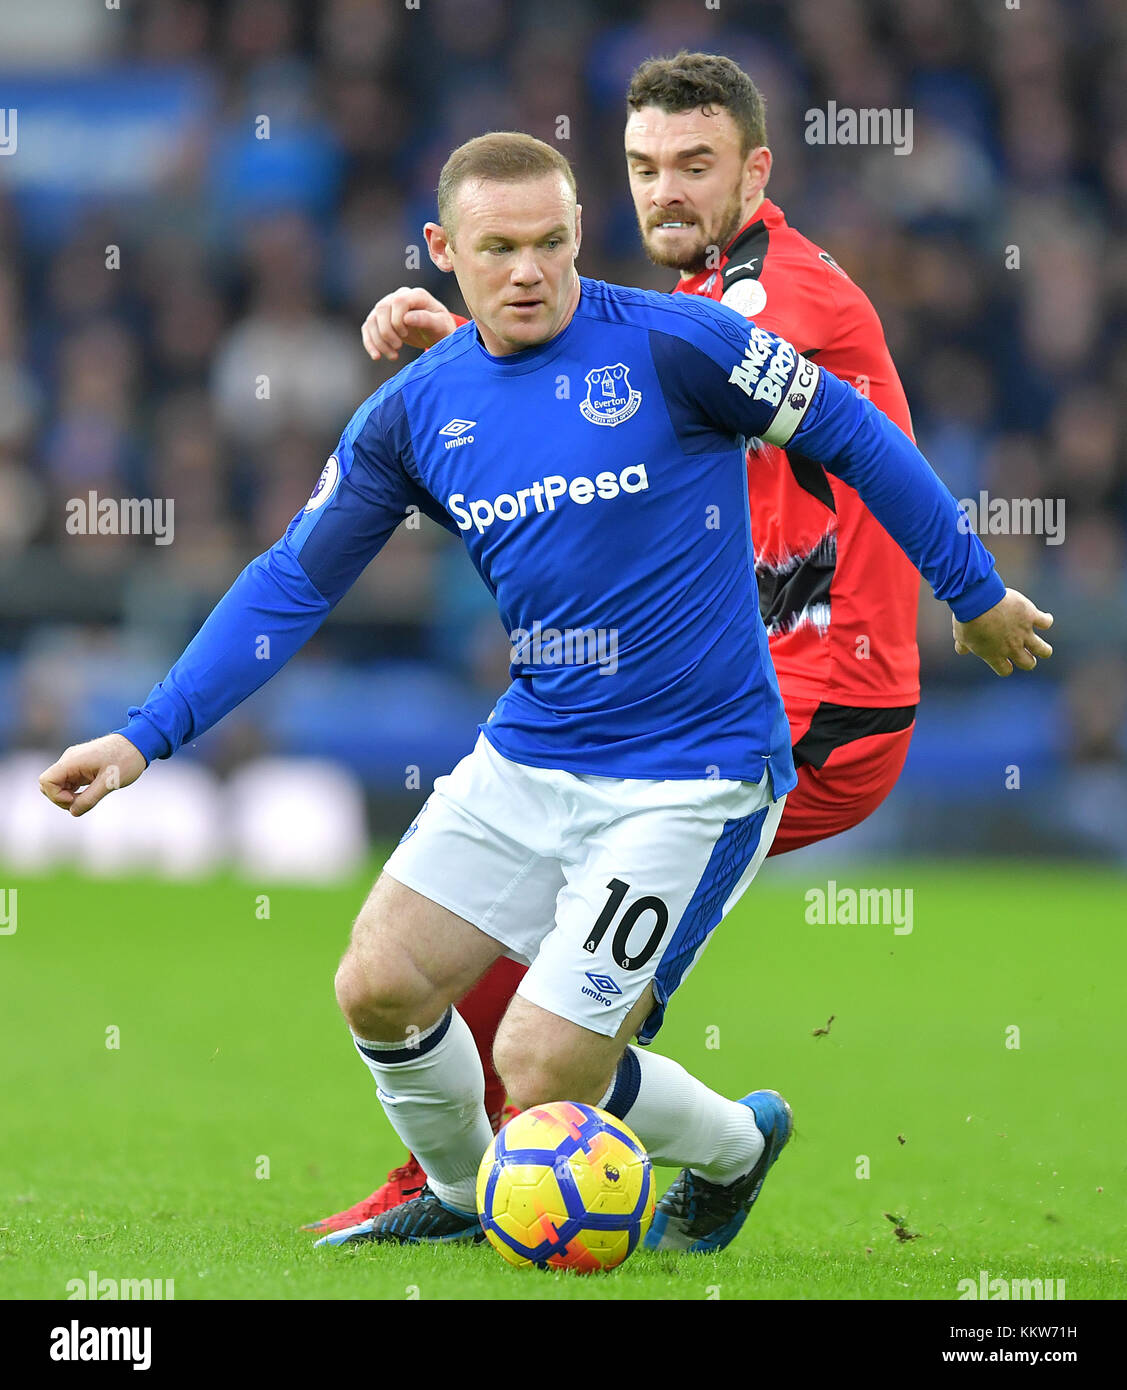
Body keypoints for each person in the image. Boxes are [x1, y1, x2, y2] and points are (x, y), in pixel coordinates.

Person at [40, 133, 1052, 1256]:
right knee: (378, 985)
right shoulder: (416, 411)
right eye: (498, 249)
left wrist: (973, 589)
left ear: (578, 237)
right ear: (442, 252)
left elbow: (855, 434)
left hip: (695, 775)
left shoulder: (679, 347)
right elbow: (292, 579)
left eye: (551, 244)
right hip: (530, 755)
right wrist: (144, 737)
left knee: (539, 1065)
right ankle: (468, 1188)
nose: (528, 271)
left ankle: (732, 1148)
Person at [314, 51, 1003, 1234]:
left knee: (557, 1004)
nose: (665, 192)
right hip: (746, 681)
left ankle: (595, 1154)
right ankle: (502, 1162)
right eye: (641, 167)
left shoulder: (772, 295)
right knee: (503, 955)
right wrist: (476, 345)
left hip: (814, 704)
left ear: (756, 170)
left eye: (695, 164)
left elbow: (632, 363)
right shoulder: (695, 297)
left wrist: (481, 329)